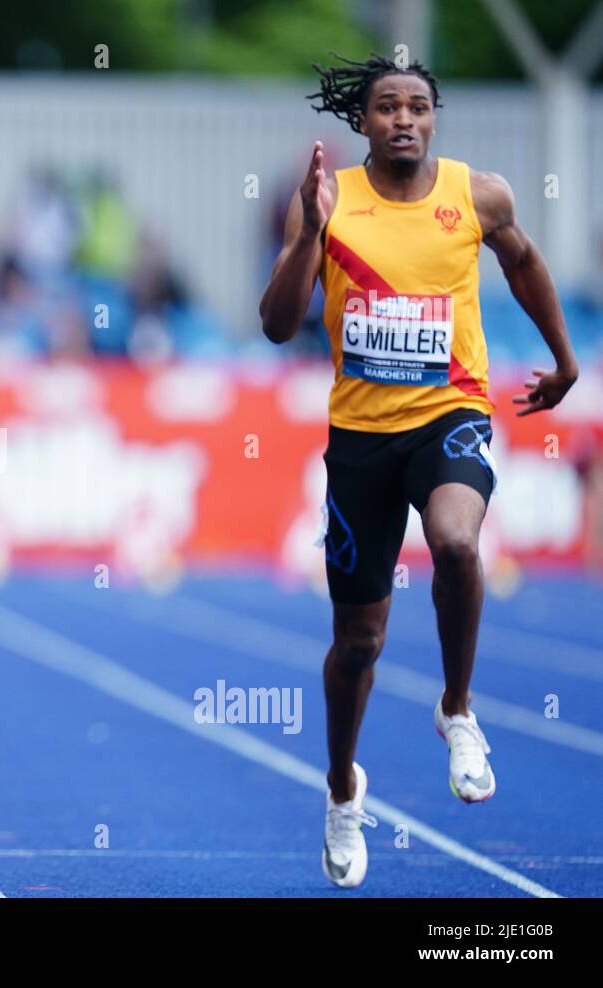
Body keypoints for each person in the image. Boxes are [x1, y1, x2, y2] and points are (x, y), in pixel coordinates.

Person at [259, 54, 579, 889]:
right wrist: (309, 230)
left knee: (458, 545)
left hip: (450, 417)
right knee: (358, 642)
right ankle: (340, 791)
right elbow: (277, 322)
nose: (404, 119)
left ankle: (458, 709)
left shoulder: (478, 196)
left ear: (434, 119)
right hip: (360, 439)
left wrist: (564, 360)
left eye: (418, 107)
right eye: (388, 108)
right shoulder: (333, 202)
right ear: (362, 123)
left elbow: (525, 264)